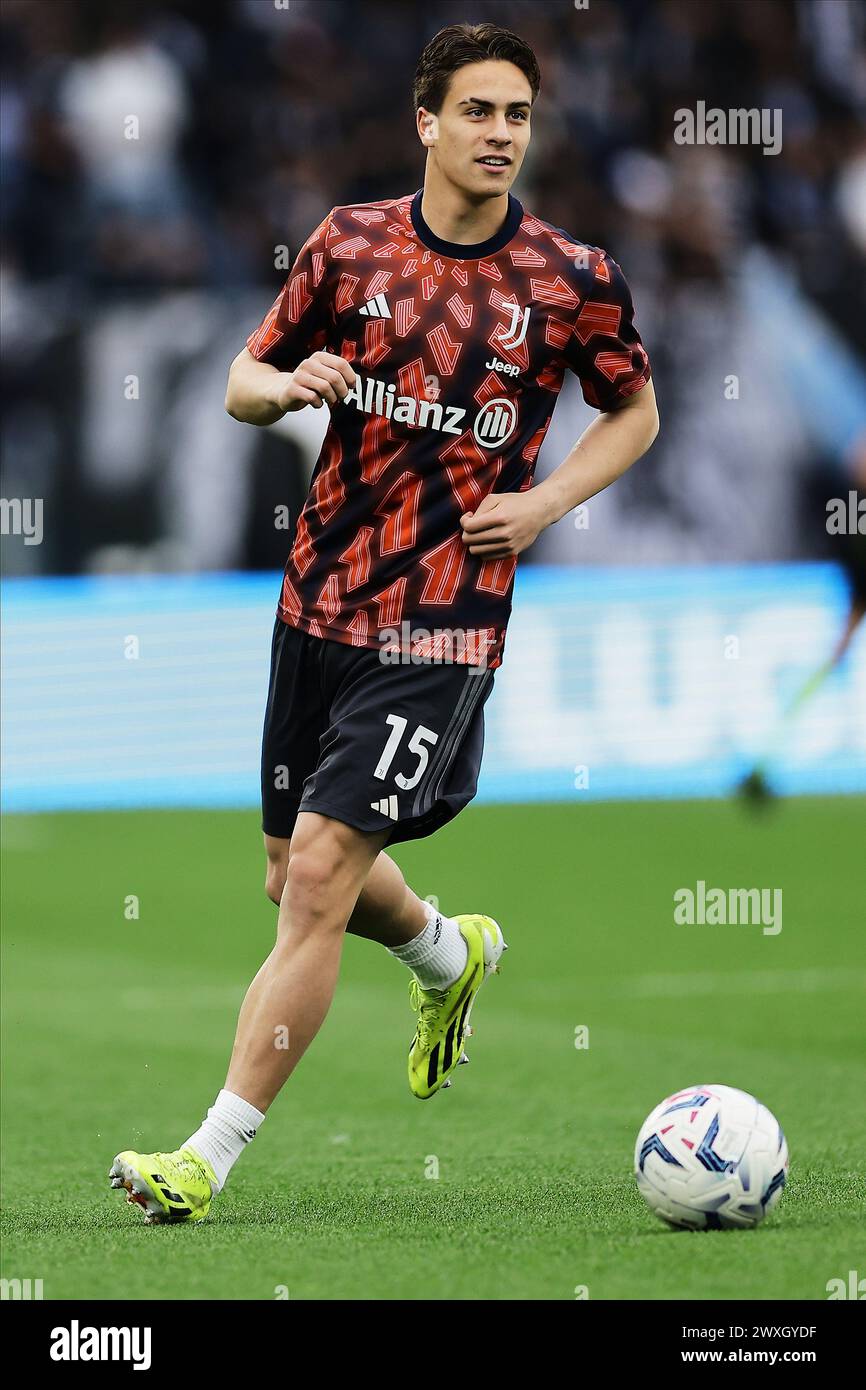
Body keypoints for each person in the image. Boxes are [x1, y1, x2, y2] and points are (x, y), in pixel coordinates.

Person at [109, 22, 659, 1225]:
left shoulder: (570, 280)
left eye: (517, 114)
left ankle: (204, 1155)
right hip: (318, 599)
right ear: (426, 121)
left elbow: (635, 413)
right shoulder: (348, 245)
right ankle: (445, 957)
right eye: (477, 112)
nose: (500, 134)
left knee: (313, 873)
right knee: (283, 876)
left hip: (444, 617)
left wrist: (548, 499)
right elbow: (244, 377)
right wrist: (288, 388)